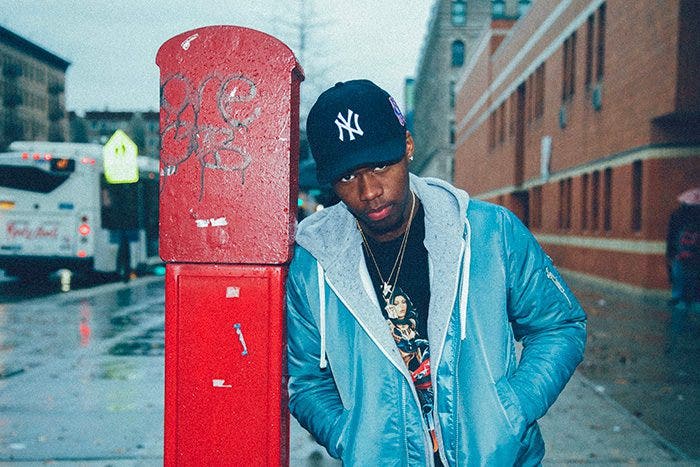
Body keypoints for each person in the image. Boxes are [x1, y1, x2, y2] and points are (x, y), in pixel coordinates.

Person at [286, 79, 587, 466]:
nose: (369, 190)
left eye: (380, 165)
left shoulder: (490, 233)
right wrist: (350, 437)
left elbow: (559, 325)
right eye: (347, 176)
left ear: (408, 147)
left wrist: (510, 412)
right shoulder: (313, 264)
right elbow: (306, 380)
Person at [666, 194, 700, 309]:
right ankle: (692, 299)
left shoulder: (677, 215)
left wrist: (670, 252)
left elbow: (671, 235)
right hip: (693, 254)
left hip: (680, 253)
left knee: (679, 275)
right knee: (693, 276)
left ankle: (679, 299)